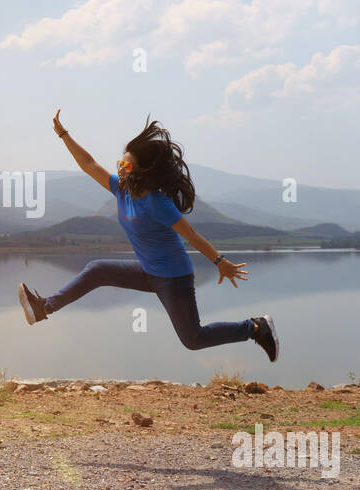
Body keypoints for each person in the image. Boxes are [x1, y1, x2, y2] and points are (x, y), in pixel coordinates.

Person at [18, 111, 278, 361]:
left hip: (174, 277)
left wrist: (220, 262)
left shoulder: (157, 203)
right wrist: (63, 134)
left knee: (193, 339)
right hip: (148, 272)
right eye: (119, 162)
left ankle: (256, 328)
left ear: (141, 171)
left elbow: (191, 234)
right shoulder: (121, 190)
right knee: (97, 269)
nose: (119, 167)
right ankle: (44, 308)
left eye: (125, 164)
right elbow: (88, 164)